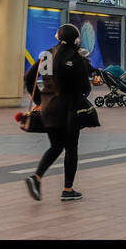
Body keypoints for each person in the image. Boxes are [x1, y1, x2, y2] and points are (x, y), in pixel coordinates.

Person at [24, 23, 99, 203]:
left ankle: (37, 178)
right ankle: (68, 189)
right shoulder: (77, 58)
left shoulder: (47, 56)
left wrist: (39, 101)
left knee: (56, 146)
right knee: (71, 148)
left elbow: (28, 78)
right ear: (77, 40)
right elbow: (84, 87)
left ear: (57, 37)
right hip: (69, 110)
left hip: (48, 108)